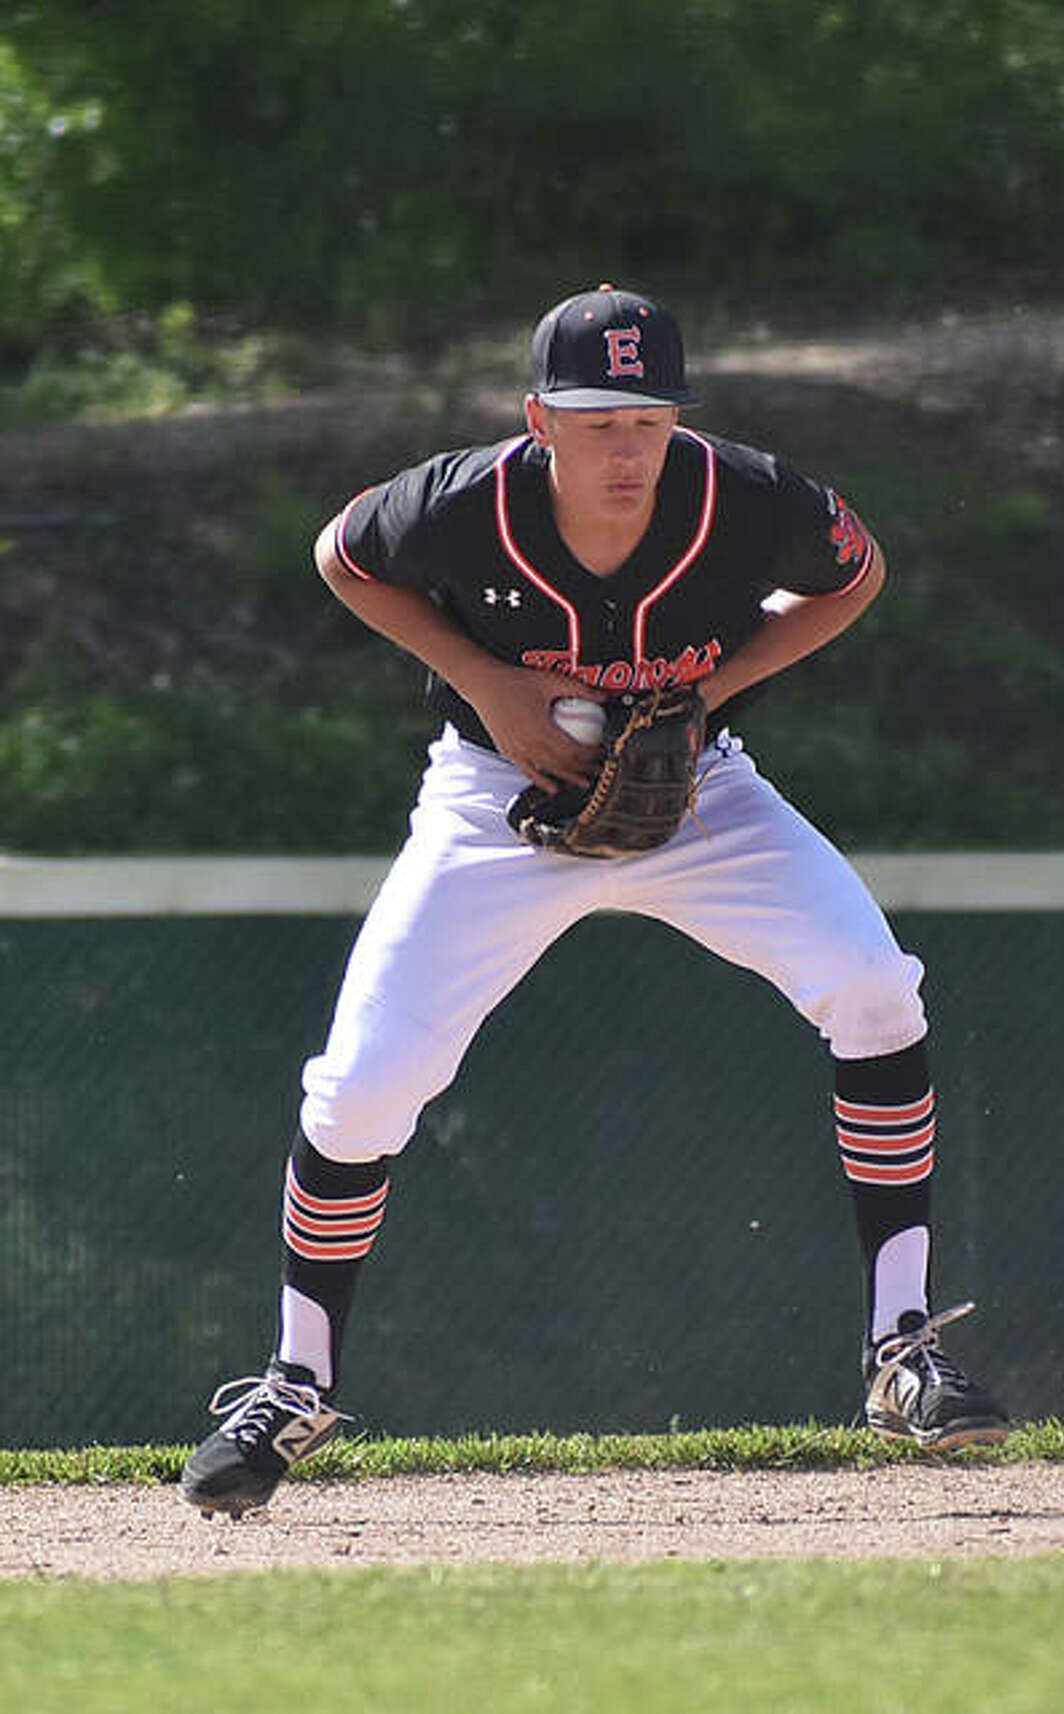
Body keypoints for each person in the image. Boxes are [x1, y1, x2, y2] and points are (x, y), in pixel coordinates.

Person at [182, 284, 1009, 1517]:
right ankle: (296, 1381)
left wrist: (717, 688)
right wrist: (483, 682)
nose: (628, 448)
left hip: (701, 793)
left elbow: (855, 574)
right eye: (596, 420)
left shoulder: (746, 496)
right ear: (540, 419)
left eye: (648, 418)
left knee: (878, 990)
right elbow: (341, 556)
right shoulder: (466, 501)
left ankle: (901, 1355)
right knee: (362, 1086)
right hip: (491, 802)